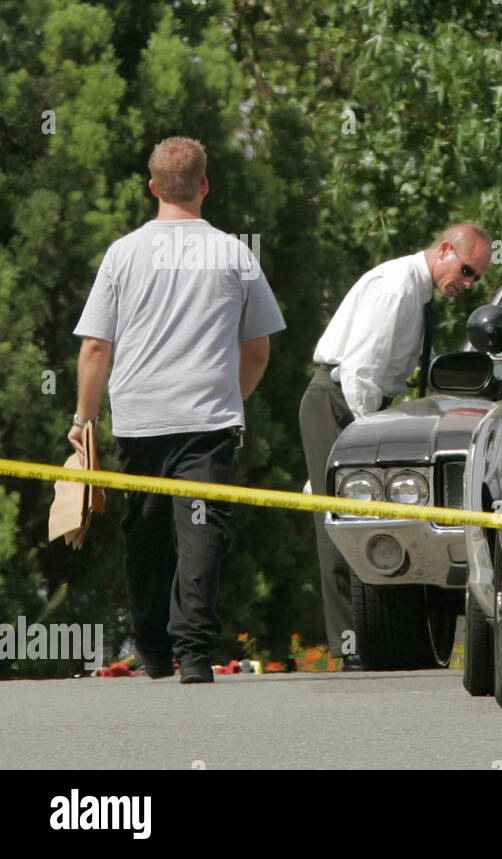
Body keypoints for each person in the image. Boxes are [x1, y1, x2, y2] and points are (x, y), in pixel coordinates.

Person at [70, 136, 285, 684]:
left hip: (141, 419)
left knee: (142, 533)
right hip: (207, 421)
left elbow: (96, 346)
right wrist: (229, 397)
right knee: (201, 531)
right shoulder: (234, 252)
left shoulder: (124, 253)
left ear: (152, 188)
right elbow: (258, 349)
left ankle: (153, 651)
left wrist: (83, 421)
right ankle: (194, 655)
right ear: (205, 186)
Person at [300, 224, 491, 668]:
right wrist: (368, 439)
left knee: (359, 519)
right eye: (466, 270)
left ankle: (372, 643)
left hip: (355, 405)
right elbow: (360, 371)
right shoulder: (395, 290)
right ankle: (353, 648)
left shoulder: (415, 291)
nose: (467, 283)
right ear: (444, 250)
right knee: (342, 524)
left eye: (475, 278)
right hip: (343, 403)